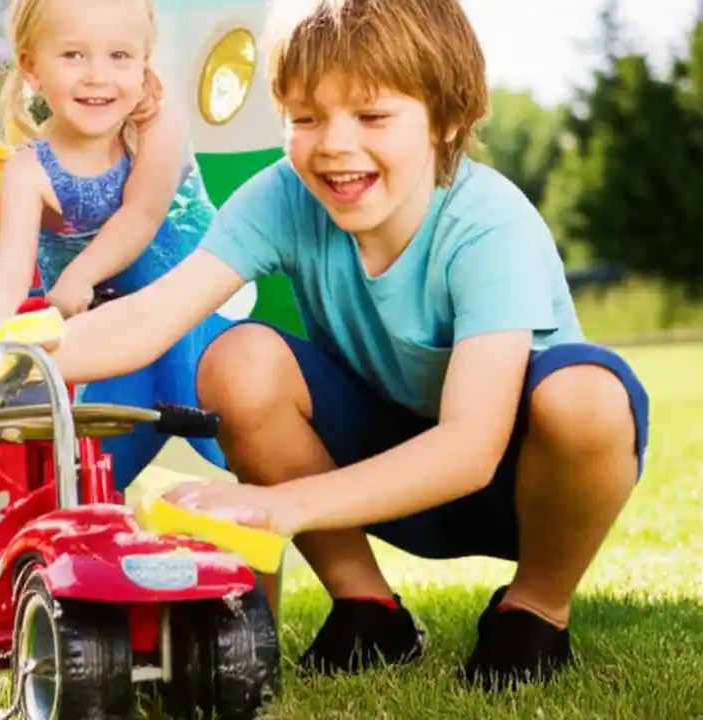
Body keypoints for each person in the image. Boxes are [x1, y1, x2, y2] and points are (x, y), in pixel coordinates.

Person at [42, 0, 650, 691]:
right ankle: (368, 611)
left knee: (588, 396)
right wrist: (12, 362)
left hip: (521, 488)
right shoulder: (284, 197)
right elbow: (154, 317)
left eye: (372, 116)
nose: (333, 144)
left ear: (446, 117)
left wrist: (284, 507)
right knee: (238, 359)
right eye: (306, 118)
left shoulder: (490, 226)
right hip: (381, 468)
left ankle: (534, 612)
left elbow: (471, 447)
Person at [0, 0, 234, 489]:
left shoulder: (157, 124)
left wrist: (80, 275)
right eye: (73, 55)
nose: (98, 76)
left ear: (144, 61)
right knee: (86, 475)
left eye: (119, 56)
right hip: (117, 347)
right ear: (31, 67)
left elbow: (142, 212)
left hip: (200, 319)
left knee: (245, 447)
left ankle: (262, 551)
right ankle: (75, 555)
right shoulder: (29, 171)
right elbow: (8, 271)